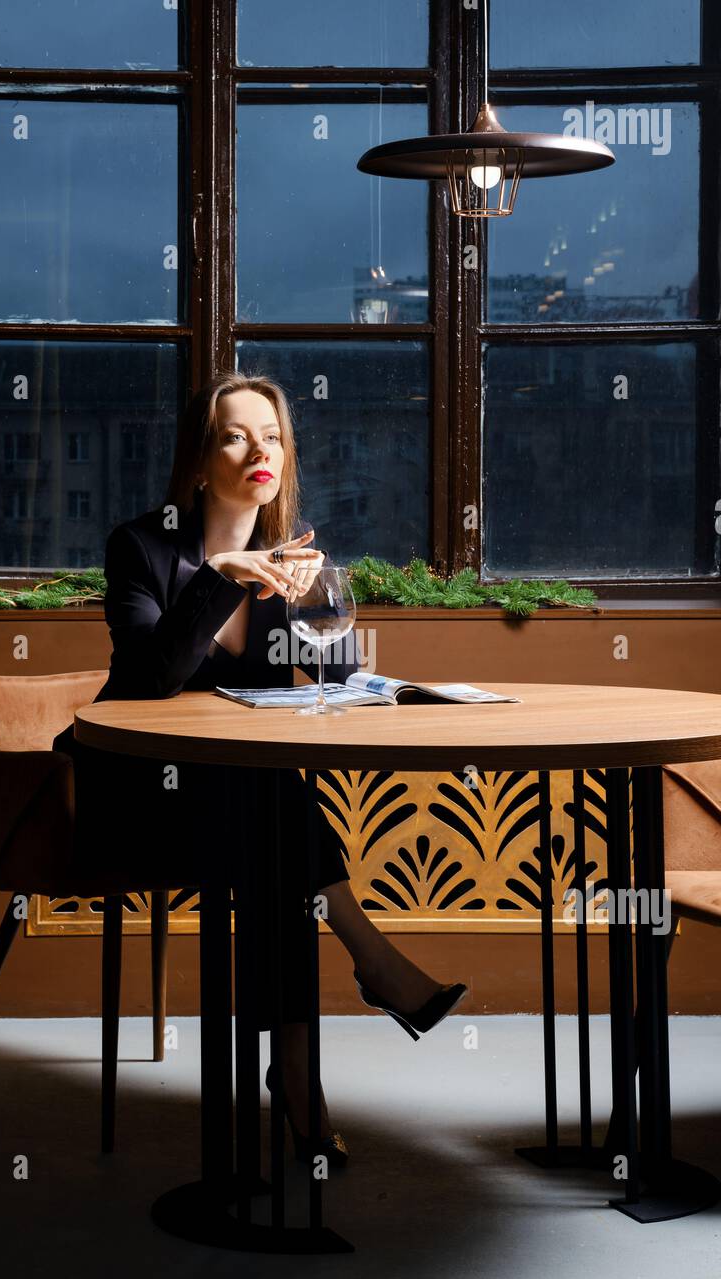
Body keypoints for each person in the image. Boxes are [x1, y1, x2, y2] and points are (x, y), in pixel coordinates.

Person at [54, 370, 466, 1165]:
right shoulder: (140, 547)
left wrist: (318, 614)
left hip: (237, 798)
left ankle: (306, 1066)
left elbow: (336, 667)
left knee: (269, 819)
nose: (258, 450)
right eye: (237, 435)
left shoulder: (294, 554)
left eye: (272, 435)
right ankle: (349, 1002)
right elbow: (148, 681)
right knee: (271, 811)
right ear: (201, 458)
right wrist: (220, 579)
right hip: (133, 790)